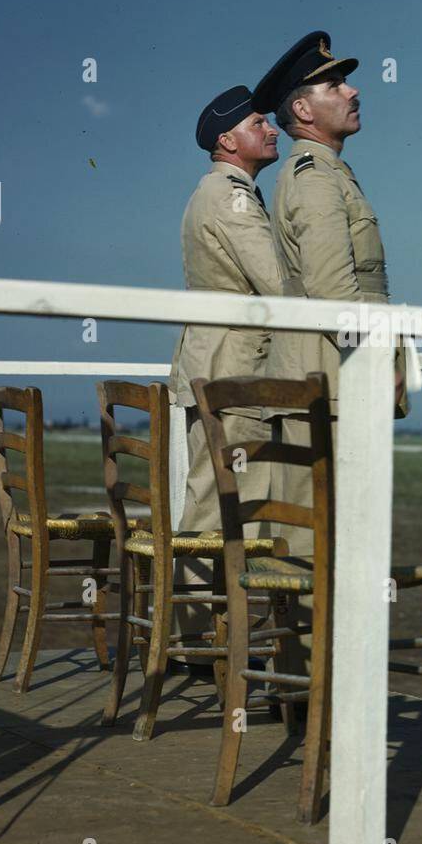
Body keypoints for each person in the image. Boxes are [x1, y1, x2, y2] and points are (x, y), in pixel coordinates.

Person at [251, 31, 406, 558]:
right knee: (318, 545)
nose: (353, 91)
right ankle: (312, 643)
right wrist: (379, 361)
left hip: (334, 381)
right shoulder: (315, 178)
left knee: (337, 539)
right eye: (335, 84)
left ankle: (322, 642)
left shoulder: (329, 172)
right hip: (331, 383)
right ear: (302, 108)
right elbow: (334, 290)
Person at [168, 84, 281, 643]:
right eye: (260, 123)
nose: (272, 129)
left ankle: (196, 636)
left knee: (209, 502)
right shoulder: (232, 198)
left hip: (211, 366)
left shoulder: (212, 193)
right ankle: (197, 641)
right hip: (234, 373)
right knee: (224, 508)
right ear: (226, 140)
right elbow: (280, 285)